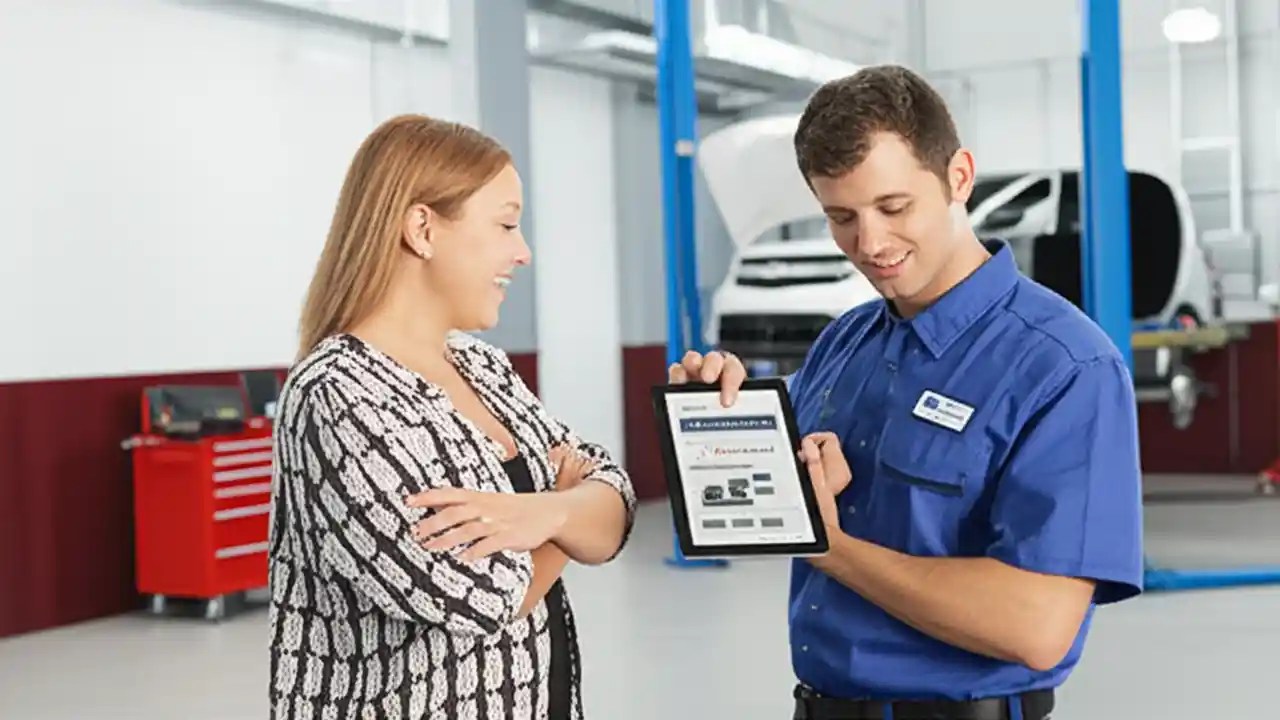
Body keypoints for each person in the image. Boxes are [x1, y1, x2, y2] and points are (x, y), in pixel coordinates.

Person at [671, 65, 1144, 719]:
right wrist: (713, 413)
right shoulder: (844, 344)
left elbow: (1036, 625)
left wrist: (833, 550)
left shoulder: (1066, 368)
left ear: (958, 177)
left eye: (894, 208)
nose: (869, 243)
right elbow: (757, 506)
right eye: (841, 216)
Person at [267, 114, 636, 720]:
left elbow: (615, 501)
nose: (523, 252)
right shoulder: (339, 395)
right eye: (506, 225)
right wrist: (570, 508)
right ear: (422, 228)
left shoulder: (482, 366)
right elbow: (482, 597)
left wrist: (544, 514)